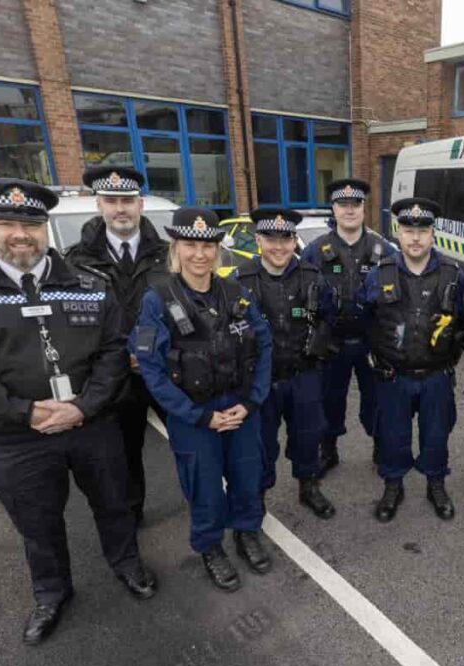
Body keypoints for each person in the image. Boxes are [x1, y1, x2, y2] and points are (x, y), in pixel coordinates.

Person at [0, 178, 155, 646]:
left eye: (30, 223)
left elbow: (113, 352)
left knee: (114, 503)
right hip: (17, 436)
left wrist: (84, 406)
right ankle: (51, 591)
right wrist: (24, 411)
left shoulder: (89, 285)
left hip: (92, 425)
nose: (19, 234)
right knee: (37, 520)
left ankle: (127, 563)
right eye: (6, 223)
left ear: (44, 227)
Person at [131, 208, 273, 592]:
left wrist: (252, 401)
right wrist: (198, 417)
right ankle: (210, 546)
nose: (200, 254)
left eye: (207, 245)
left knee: (247, 478)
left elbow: (264, 345)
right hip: (195, 416)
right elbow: (152, 369)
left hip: (241, 408)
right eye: (190, 245)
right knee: (204, 487)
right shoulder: (157, 300)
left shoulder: (236, 292)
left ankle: (247, 532)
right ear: (176, 248)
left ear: (217, 249)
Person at [65, 165, 170, 524]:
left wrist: (147, 349)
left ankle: (208, 507)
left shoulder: (168, 255)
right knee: (125, 455)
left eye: (127, 200)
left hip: (166, 367)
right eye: (111, 200)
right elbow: (75, 324)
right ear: (99, 205)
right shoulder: (76, 259)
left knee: (193, 442)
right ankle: (133, 516)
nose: (120, 208)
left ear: (140, 204)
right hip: (114, 377)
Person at [358, 198, 464, 522]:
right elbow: (365, 319)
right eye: (408, 229)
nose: (415, 237)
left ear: (433, 232)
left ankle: (436, 484)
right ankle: (393, 486)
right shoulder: (379, 275)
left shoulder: (453, 275)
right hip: (394, 376)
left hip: (436, 376)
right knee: (393, 435)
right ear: (398, 232)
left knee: (436, 435)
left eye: (423, 230)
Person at [234, 209, 337, 520]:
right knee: (261, 443)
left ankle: (308, 486)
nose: (278, 247)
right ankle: (259, 493)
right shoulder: (240, 280)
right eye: (270, 239)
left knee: (308, 435)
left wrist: (321, 342)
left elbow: (330, 318)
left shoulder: (312, 276)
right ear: (258, 240)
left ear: (295, 240)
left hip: (303, 374)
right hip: (260, 382)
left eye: (285, 239)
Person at [300, 178, 394, 474]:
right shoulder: (316, 250)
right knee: (329, 399)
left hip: (371, 341)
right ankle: (328, 450)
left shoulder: (383, 249)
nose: (349, 210)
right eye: (343, 205)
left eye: (355, 205)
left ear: (364, 208)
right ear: (334, 208)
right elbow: (302, 295)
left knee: (378, 400)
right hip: (331, 341)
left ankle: (380, 446)